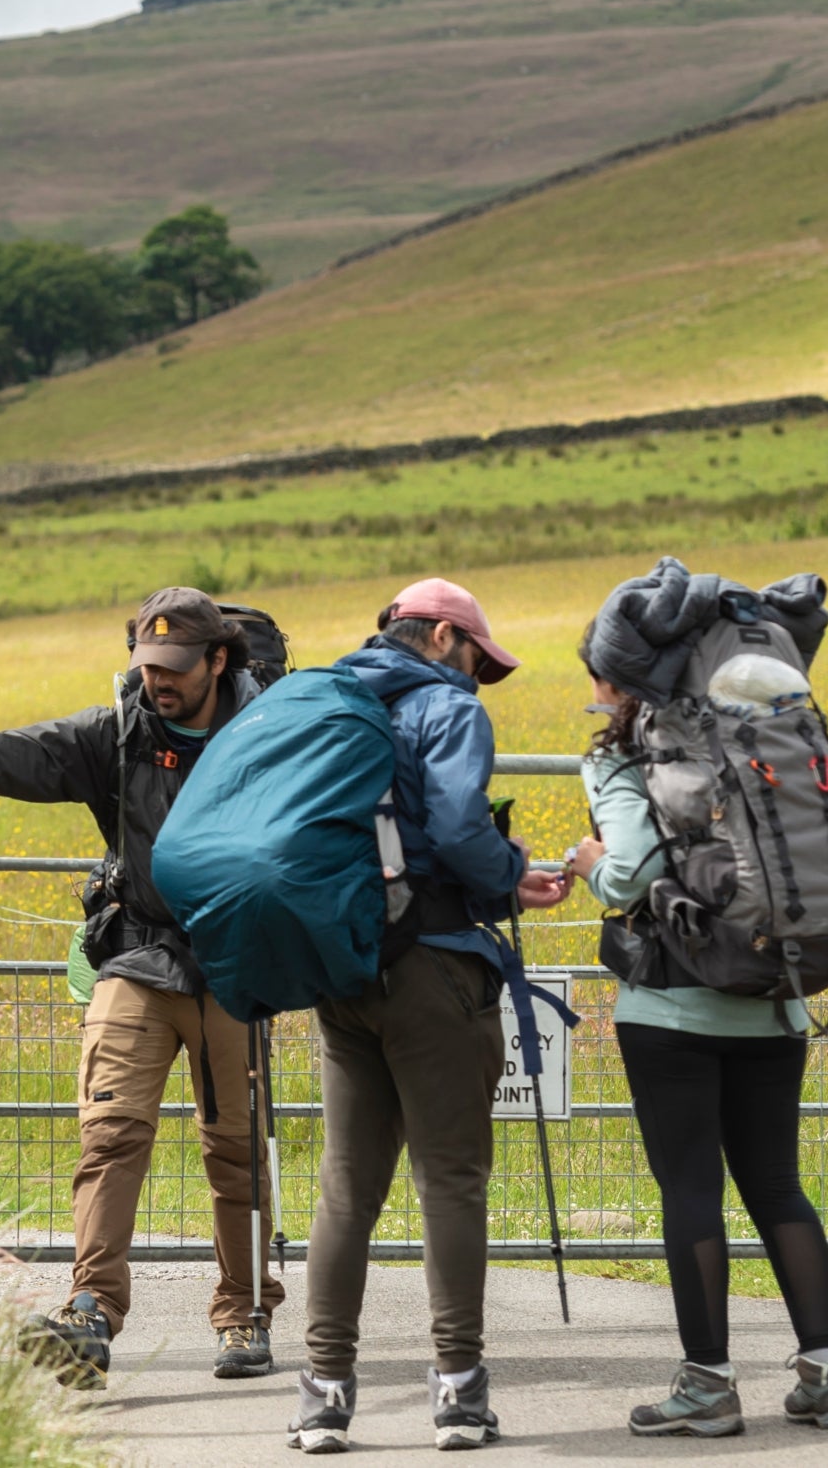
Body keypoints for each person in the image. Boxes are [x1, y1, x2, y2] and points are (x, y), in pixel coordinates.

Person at [0, 587, 286, 1387]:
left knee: (234, 1154)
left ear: (218, 660)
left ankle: (244, 1313)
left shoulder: (271, 733)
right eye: (149, 665)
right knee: (110, 1133)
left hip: (235, 966)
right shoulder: (120, 733)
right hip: (139, 957)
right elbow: (31, 753)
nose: (160, 681)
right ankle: (90, 1309)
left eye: (177, 668)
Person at [289, 578, 570, 1455]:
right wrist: (508, 868)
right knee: (449, 1181)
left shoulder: (332, 701)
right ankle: (458, 1391)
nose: (478, 679)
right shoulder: (447, 711)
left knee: (347, 1188)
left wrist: (489, 869)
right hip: (438, 968)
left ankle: (324, 1395)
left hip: (344, 969)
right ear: (445, 636)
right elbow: (453, 826)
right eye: (478, 662)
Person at [568, 660, 828, 1437]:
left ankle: (707, 1385)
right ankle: (826, 1375)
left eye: (596, 675)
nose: (590, 690)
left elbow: (630, 874)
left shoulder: (622, 758)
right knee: (776, 1186)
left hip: (670, 1009)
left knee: (691, 1190)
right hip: (777, 1001)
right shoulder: (763, 745)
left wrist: (593, 868)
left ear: (620, 684)